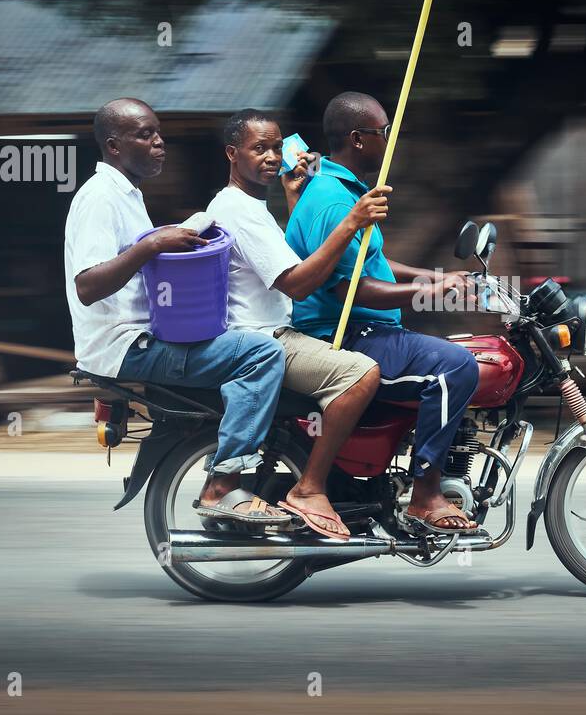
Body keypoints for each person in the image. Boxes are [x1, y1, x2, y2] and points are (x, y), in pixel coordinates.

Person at [64, 98, 289, 523]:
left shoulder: (127, 195)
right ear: (114, 146)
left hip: (143, 336)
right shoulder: (100, 198)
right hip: (127, 346)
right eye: (144, 135)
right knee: (262, 353)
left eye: (158, 133)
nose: (159, 142)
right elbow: (88, 285)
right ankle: (222, 483)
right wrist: (153, 244)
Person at [285, 92, 480, 533]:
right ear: (357, 139)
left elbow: (371, 263)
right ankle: (426, 494)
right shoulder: (334, 202)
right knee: (456, 367)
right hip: (346, 333)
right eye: (383, 132)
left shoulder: (345, 191)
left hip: (365, 326)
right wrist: (424, 291)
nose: (390, 140)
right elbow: (354, 290)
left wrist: (433, 278)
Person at [206, 109, 391, 540]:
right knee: (360, 373)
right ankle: (310, 488)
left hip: (274, 330)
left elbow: (288, 261)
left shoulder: (250, 205)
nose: (272, 157)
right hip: (264, 339)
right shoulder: (239, 210)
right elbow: (299, 284)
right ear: (232, 154)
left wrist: (292, 201)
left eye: (276, 147)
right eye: (258, 149)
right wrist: (351, 222)